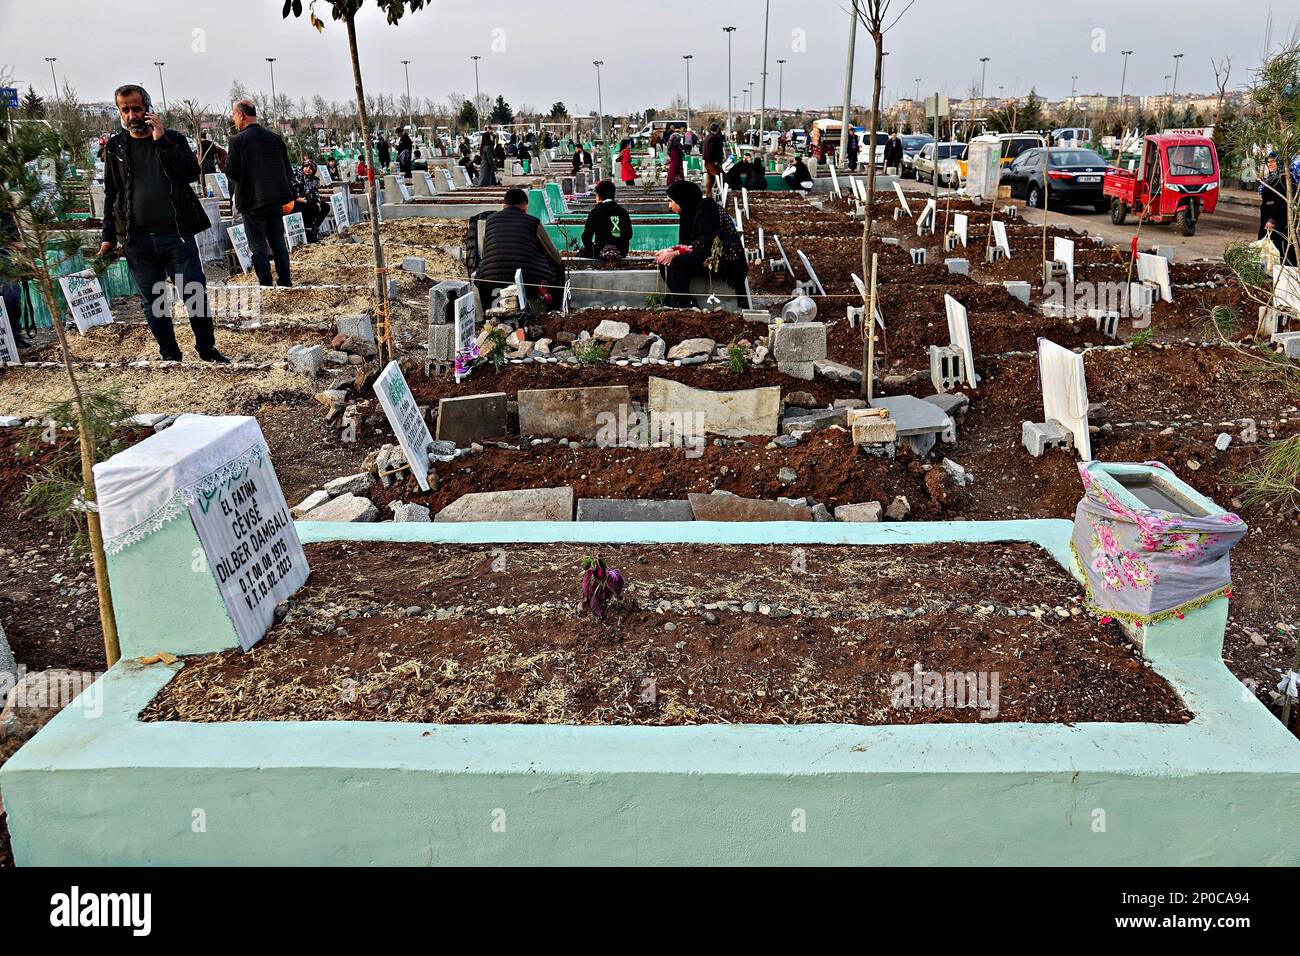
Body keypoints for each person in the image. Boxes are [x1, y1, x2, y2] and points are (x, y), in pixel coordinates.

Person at [97, 84, 227, 363]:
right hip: (137, 240)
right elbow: (112, 194)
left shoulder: (173, 139)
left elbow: (192, 172)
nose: (132, 115)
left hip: (176, 236)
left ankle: (206, 349)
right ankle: (170, 355)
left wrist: (161, 140)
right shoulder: (116, 148)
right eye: (125, 109)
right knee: (154, 303)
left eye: (137, 108)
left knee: (194, 294)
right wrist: (108, 236)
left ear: (148, 109)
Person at [225, 98, 295, 287]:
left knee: (258, 245)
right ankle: (285, 281)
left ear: (241, 114)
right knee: (278, 241)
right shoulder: (275, 138)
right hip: (275, 198)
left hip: (252, 200)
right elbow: (287, 170)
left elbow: (231, 171)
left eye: (234, 115)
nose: (234, 120)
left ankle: (265, 283)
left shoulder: (237, 141)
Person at [656, 180, 748, 309]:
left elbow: (707, 241)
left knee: (677, 263)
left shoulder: (706, 207)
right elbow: (687, 244)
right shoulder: (688, 213)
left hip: (721, 258)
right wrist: (670, 251)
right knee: (666, 263)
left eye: (671, 201)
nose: (670, 206)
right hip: (703, 254)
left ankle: (683, 305)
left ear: (682, 199)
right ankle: (685, 300)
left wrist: (676, 253)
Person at [475, 187, 566, 308]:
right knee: (559, 268)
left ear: (504, 205)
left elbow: (486, 251)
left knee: (481, 272)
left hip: (491, 278)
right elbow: (555, 257)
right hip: (528, 278)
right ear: (524, 205)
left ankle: (487, 313)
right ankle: (554, 310)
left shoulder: (490, 220)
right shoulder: (533, 222)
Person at [1259, 151, 1298, 267]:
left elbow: (1282, 201)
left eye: (1273, 161)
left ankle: (1279, 272)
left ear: (1279, 162)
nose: (1269, 164)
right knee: (1268, 247)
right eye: (1268, 162)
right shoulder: (1272, 177)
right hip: (1268, 218)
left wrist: (1273, 219)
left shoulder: (1283, 179)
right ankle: (1269, 271)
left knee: (1277, 246)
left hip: (1277, 221)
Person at [581, 179, 634, 261]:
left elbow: (586, 237)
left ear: (599, 196)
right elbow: (629, 235)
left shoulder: (595, 212)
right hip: (621, 252)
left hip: (600, 252)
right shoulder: (623, 212)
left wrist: (591, 250)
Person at [292, 159, 328, 242]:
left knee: (325, 207)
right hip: (293, 200)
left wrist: (317, 202)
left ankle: (314, 230)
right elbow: (289, 188)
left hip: (306, 201)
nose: (308, 169)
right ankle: (307, 230)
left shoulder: (313, 181)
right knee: (306, 206)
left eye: (311, 168)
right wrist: (297, 198)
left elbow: (316, 195)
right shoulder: (295, 174)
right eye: (306, 166)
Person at [702, 121, 725, 195]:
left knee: (710, 179)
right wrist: (717, 160)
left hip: (707, 161)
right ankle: (713, 194)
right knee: (719, 177)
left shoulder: (708, 136)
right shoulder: (713, 138)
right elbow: (713, 151)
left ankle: (708, 194)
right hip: (712, 162)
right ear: (717, 129)